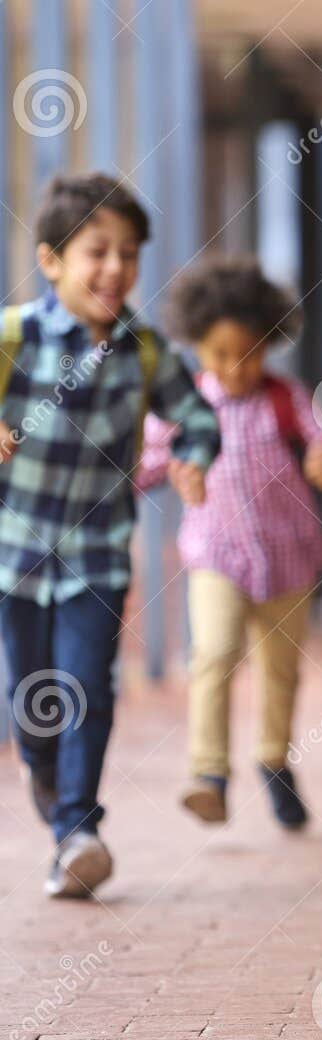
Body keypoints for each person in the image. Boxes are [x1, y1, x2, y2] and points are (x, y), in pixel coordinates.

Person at [0, 173, 220, 898]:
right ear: (51, 260)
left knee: (89, 685)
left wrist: (192, 457)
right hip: (15, 554)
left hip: (98, 553)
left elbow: (197, 417)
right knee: (28, 697)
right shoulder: (13, 337)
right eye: (97, 252)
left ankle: (77, 831)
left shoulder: (144, 349)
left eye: (129, 254)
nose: (115, 269)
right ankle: (45, 774)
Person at [140, 254, 322, 830]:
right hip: (215, 557)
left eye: (248, 352)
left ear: (269, 344)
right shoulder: (184, 407)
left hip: (289, 560)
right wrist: (172, 470)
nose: (234, 367)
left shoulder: (286, 399)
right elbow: (140, 465)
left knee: (281, 671)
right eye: (219, 353)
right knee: (213, 653)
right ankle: (209, 773)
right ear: (195, 346)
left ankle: (274, 761)